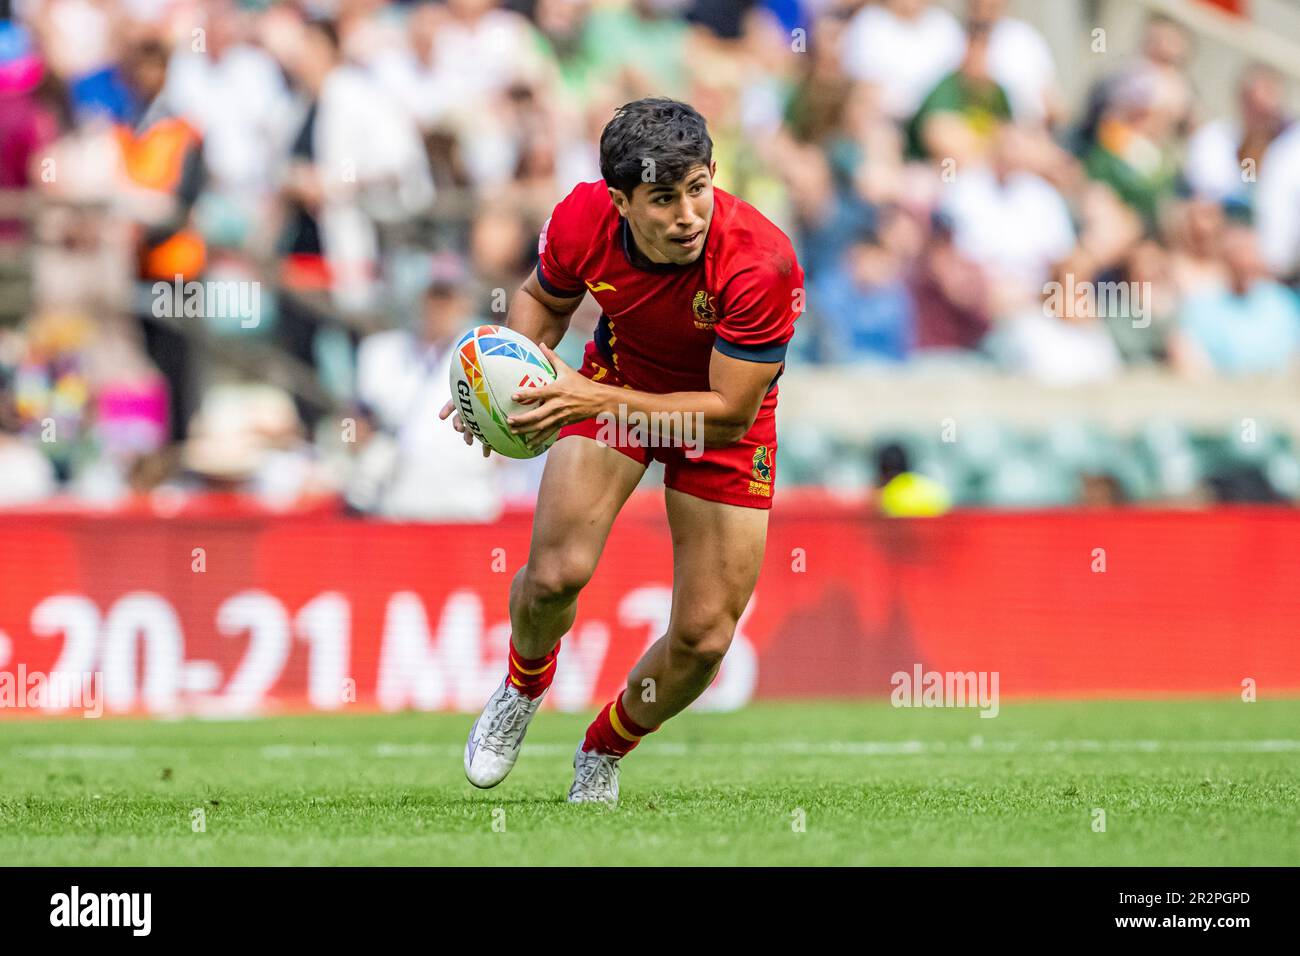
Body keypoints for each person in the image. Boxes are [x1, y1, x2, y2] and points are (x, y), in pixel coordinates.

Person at [440, 98, 803, 803]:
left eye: (698, 189)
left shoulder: (762, 262)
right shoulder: (581, 218)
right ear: (620, 202)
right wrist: (501, 382)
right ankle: (523, 685)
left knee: (702, 640)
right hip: (620, 380)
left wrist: (587, 399)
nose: (687, 215)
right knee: (553, 577)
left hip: (722, 421)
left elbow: (726, 418)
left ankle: (602, 750)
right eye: (663, 199)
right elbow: (543, 303)